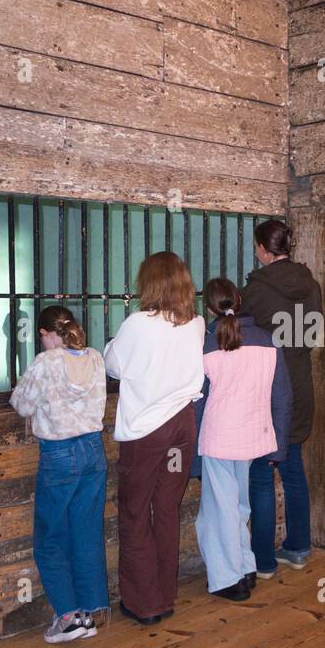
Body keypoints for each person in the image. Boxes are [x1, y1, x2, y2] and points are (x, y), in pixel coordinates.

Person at [104, 252, 205, 625]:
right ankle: (165, 595)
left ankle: (144, 603)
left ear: (149, 283)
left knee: (134, 512)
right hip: (183, 427)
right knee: (166, 509)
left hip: (147, 430)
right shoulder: (196, 323)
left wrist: (114, 342)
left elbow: (112, 364)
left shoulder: (137, 324)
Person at [9, 305, 109, 644]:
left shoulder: (46, 362)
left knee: (50, 537)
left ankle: (68, 617)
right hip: (94, 450)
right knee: (85, 531)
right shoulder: (95, 357)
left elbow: (21, 403)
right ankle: (87, 612)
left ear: (43, 334)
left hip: (59, 454)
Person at [192, 278, 292, 601]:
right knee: (239, 506)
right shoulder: (266, 339)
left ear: (208, 307)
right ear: (239, 298)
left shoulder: (209, 341)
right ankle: (246, 567)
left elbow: (198, 398)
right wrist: (279, 443)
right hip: (253, 435)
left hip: (219, 437)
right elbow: (283, 395)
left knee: (218, 510)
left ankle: (228, 579)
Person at [240, 219, 323, 577]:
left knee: (260, 472)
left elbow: (239, 339)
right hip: (300, 382)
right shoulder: (312, 285)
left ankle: (263, 561)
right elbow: (315, 333)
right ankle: (298, 547)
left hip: (266, 387)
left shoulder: (255, 290)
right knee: (292, 468)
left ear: (262, 248)